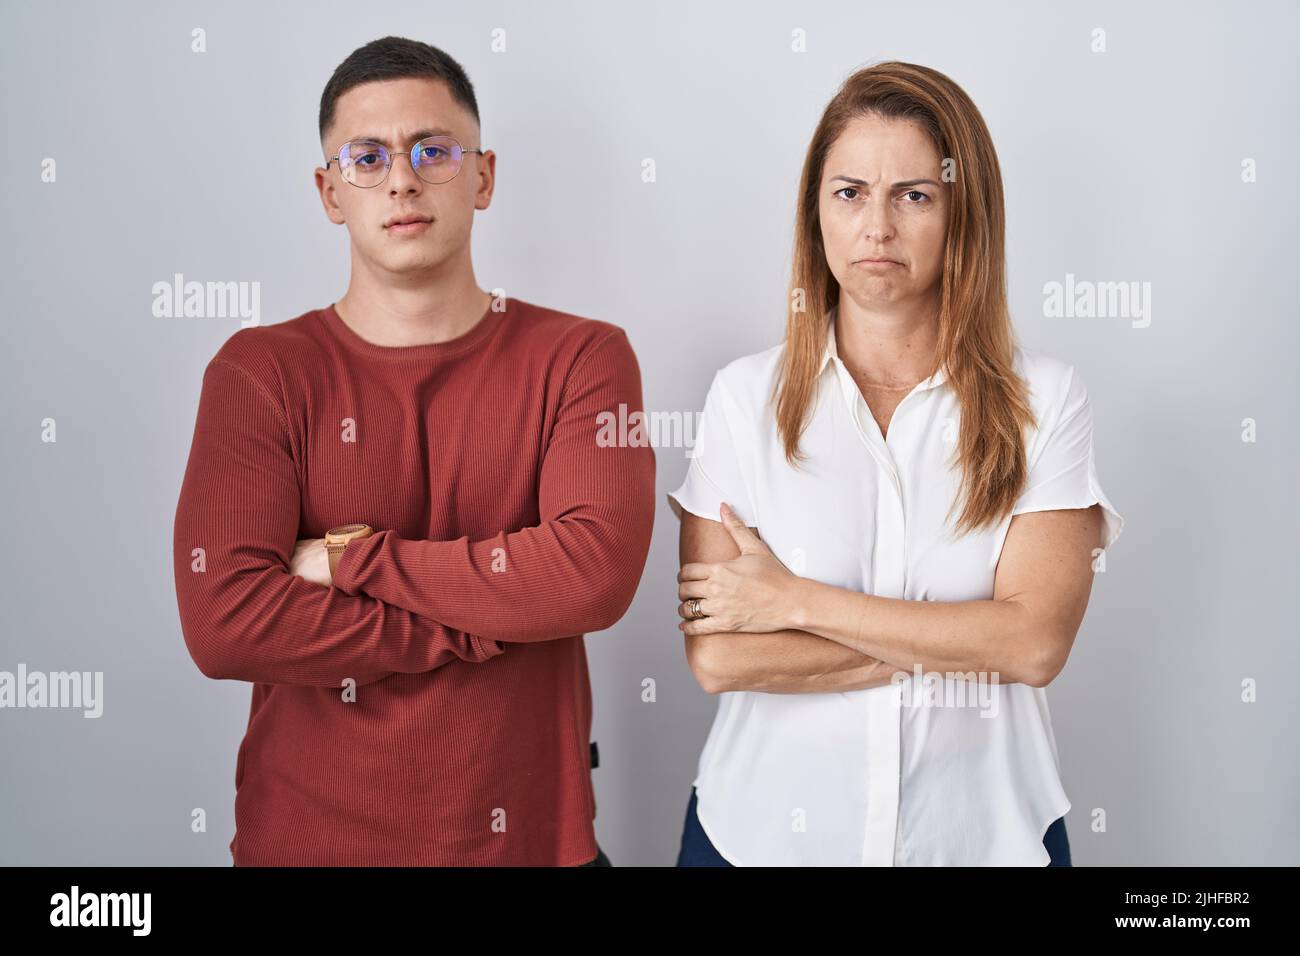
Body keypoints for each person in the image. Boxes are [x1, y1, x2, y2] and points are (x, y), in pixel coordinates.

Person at [172, 36, 653, 866]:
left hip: (532, 848)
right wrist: (477, 627)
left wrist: (348, 558)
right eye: (367, 157)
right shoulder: (259, 372)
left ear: (484, 176)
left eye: (434, 150)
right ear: (329, 192)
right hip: (309, 846)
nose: (402, 178)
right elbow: (226, 625)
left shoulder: (584, 358)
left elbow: (592, 577)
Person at [667, 61, 1124, 866]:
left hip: (984, 840)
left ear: (963, 214)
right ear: (817, 216)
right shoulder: (744, 397)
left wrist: (794, 601)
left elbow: (1033, 647)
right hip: (758, 838)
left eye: (914, 195)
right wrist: (960, 642)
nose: (876, 226)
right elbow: (721, 657)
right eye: (849, 193)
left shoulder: (1045, 401)